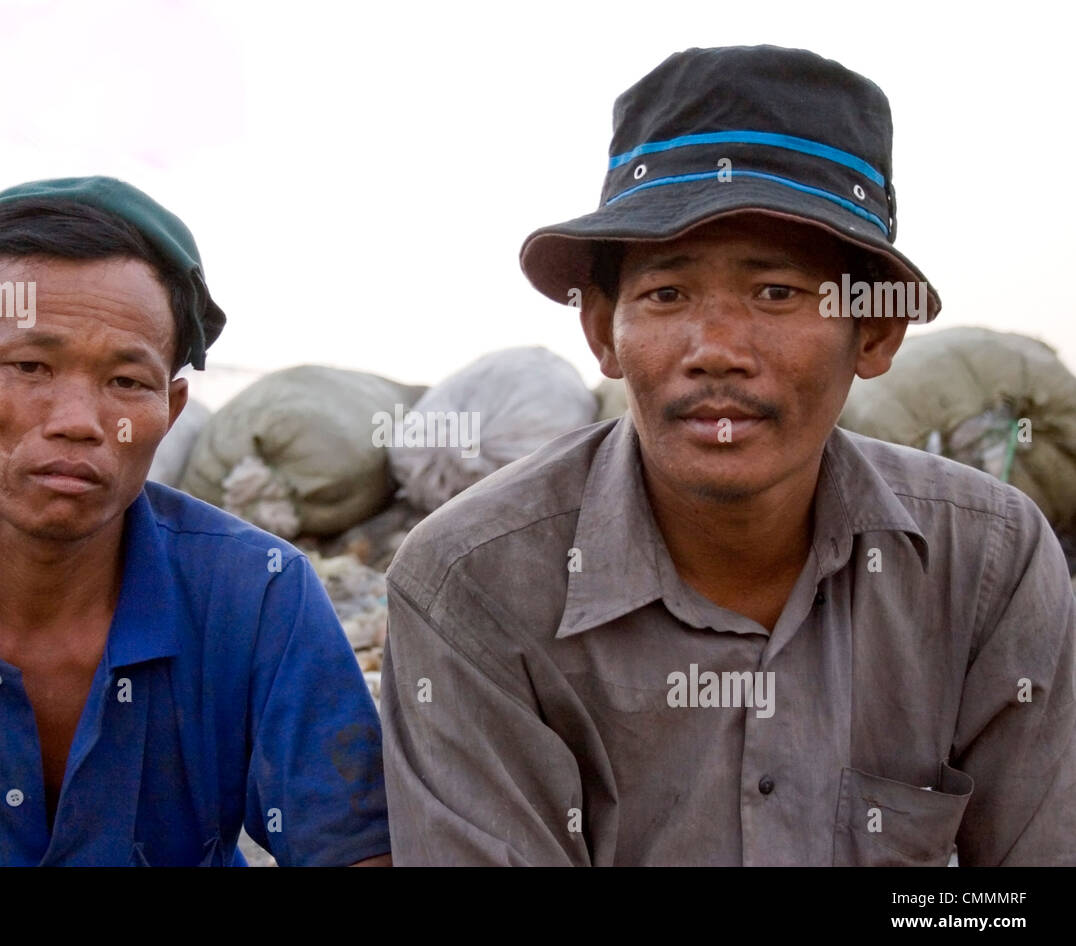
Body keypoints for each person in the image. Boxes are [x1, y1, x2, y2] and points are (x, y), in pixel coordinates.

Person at [380, 46, 1076, 865]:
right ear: (603, 331)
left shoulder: (987, 559)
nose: (715, 350)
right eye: (667, 294)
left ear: (876, 332)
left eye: (776, 293)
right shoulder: (473, 581)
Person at [0, 176, 391, 866]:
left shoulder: (259, 597)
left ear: (173, 407)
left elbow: (354, 852)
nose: (76, 422)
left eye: (126, 382)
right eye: (31, 365)